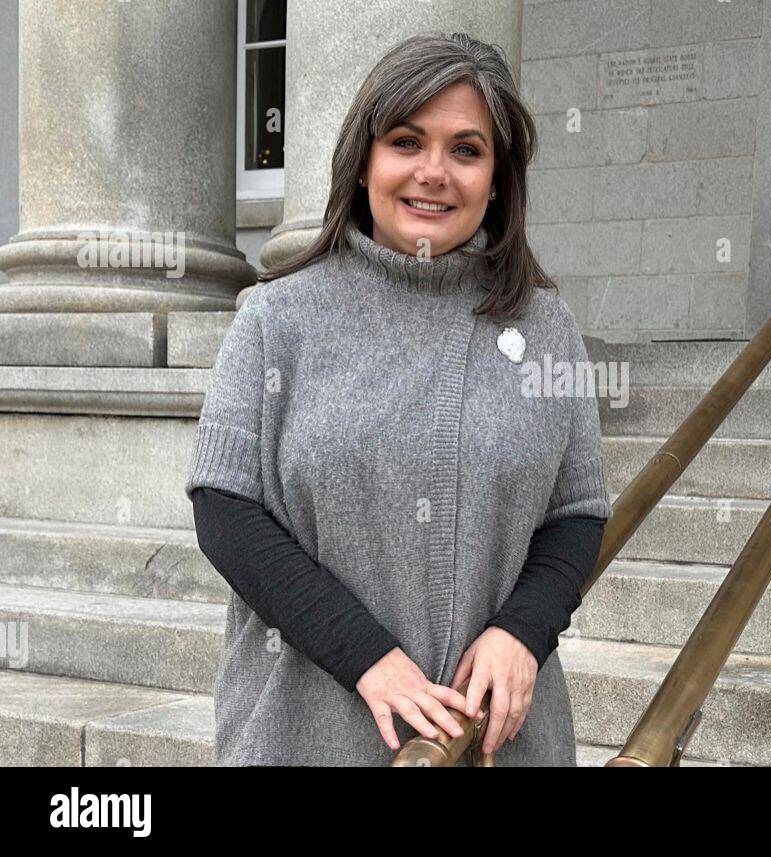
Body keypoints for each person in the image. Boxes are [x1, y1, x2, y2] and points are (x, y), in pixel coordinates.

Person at [185, 31, 611, 767]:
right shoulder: (277, 318)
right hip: (306, 730)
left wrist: (523, 631)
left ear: (499, 179)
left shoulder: (545, 326)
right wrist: (369, 658)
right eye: (406, 141)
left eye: (466, 150)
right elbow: (226, 511)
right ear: (363, 163)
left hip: (496, 741)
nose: (433, 173)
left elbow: (575, 516)